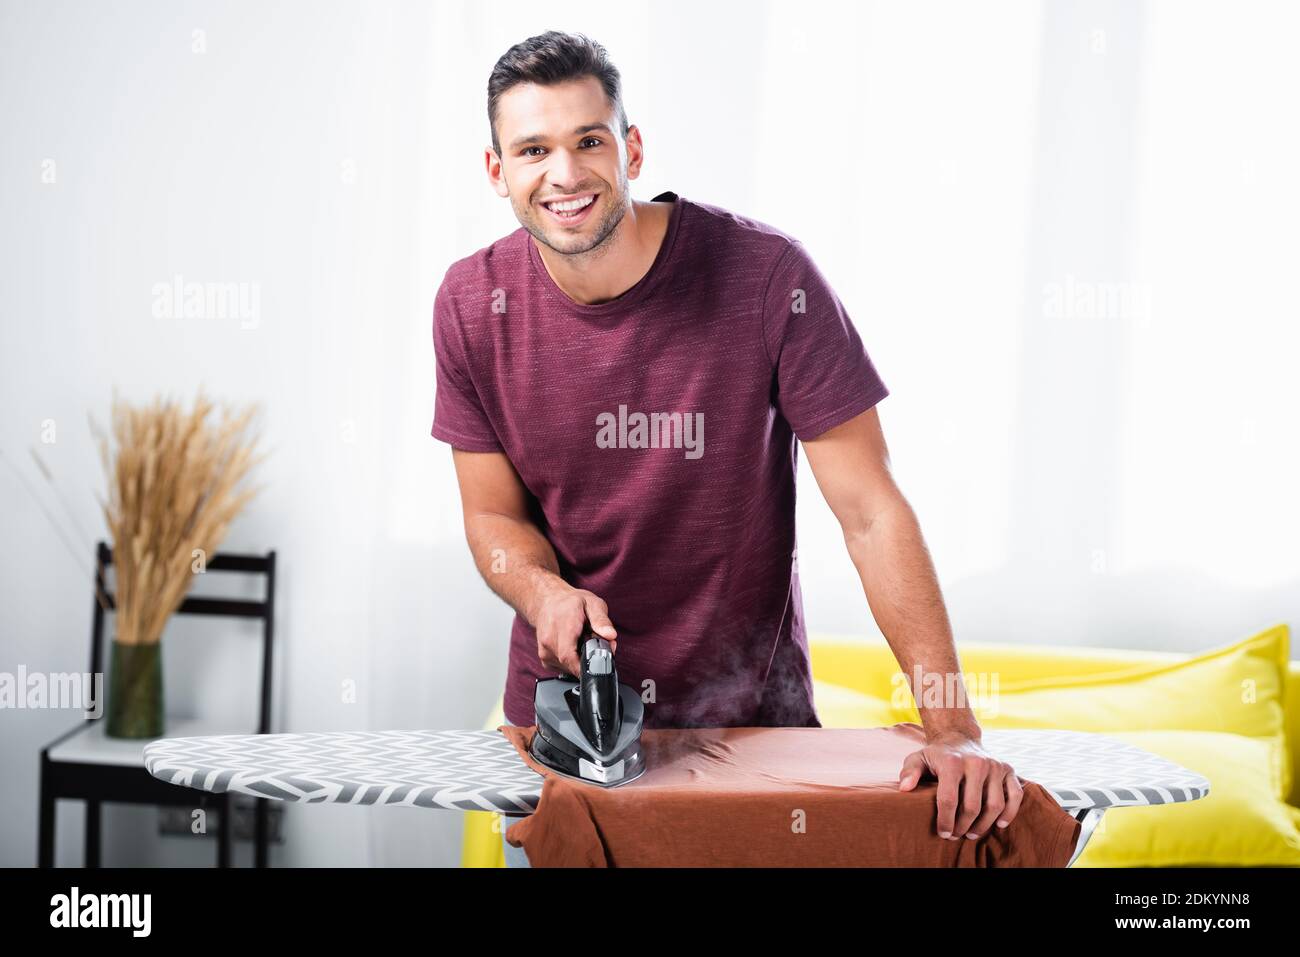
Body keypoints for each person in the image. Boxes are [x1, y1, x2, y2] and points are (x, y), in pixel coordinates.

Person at [432, 30, 1025, 845]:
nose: (564, 174)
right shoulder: (471, 303)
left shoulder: (767, 278)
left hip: (754, 729)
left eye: (589, 141)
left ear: (632, 148)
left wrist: (953, 727)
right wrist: (545, 594)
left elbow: (872, 512)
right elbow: (491, 517)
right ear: (498, 171)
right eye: (533, 149)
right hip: (569, 735)